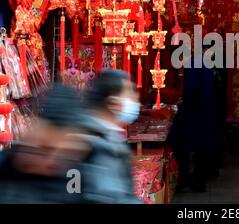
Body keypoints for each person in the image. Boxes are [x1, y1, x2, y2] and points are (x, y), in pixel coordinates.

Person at [0, 84, 91, 203]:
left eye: (63, 154)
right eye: (45, 149)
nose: (51, 161)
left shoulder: (74, 174)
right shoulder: (8, 165)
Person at [80, 69, 142, 203]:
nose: (136, 100)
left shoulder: (109, 136)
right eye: (130, 95)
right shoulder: (97, 143)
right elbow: (109, 196)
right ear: (112, 103)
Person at [169, 45, 220, 192]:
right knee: (200, 149)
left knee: (181, 145)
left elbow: (191, 91)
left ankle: (185, 179)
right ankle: (199, 181)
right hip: (205, 110)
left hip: (195, 112)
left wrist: (182, 100)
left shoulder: (192, 65)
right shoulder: (202, 62)